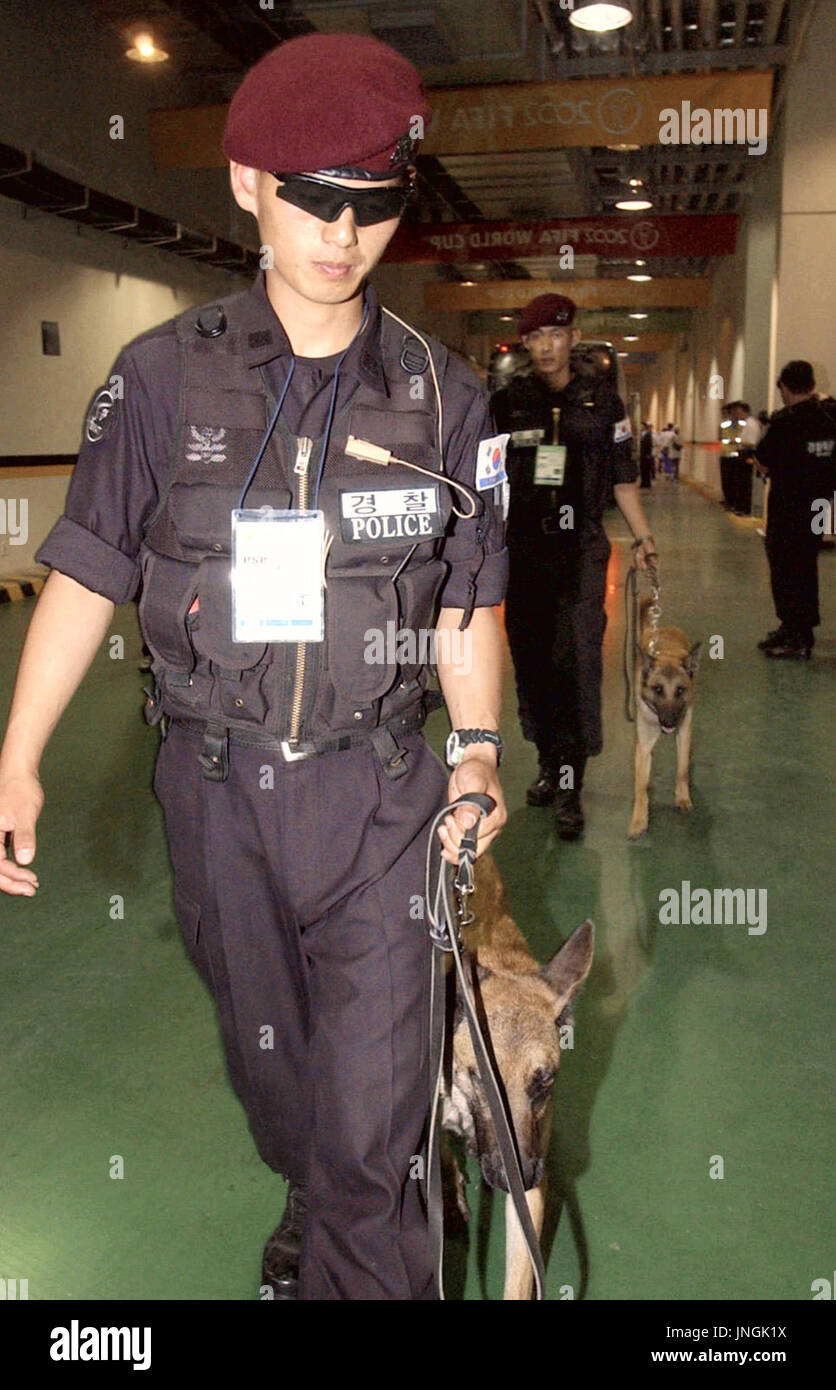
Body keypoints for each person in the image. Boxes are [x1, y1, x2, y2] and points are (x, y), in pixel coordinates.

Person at [0, 33, 510, 1301]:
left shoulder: (444, 398)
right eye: (312, 200)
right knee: (276, 1073)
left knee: (377, 1106)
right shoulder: (159, 382)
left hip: (382, 795)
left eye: (374, 205)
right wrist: (15, 758)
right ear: (245, 186)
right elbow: (85, 569)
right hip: (213, 791)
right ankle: (318, 1192)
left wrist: (479, 749)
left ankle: (354, 1246)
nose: (343, 235)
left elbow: (467, 602)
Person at [491, 293, 658, 838]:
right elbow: (484, 479)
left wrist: (644, 536)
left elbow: (623, 476)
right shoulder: (508, 403)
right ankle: (545, 764)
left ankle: (570, 787)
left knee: (578, 664)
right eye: (535, 337)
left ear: (573, 338)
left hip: (581, 551)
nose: (545, 346)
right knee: (535, 664)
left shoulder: (602, 403)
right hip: (525, 553)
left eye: (555, 335)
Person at [755, 360, 836, 659]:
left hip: (789, 505)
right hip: (819, 505)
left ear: (785, 388)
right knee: (806, 563)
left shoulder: (784, 421)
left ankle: (795, 632)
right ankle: (800, 628)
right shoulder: (830, 415)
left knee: (785, 566)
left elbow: (763, 459)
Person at [640, 421, 655, 489]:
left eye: (642, 426)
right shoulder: (642, 434)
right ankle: (643, 482)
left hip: (646, 454)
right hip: (642, 454)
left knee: (646, 469)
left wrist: (648, 454)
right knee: (642, 468)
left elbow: (649, 444)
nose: (641, 427)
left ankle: (647, 483)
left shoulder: (648, 434)